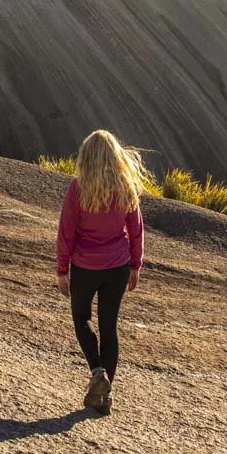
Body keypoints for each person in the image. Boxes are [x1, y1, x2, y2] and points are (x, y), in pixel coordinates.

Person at [55, 130, 146, 416]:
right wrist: (135, 265)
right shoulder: (125, 186)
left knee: (82, 319)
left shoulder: (77, 188)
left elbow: (65, 232)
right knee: (109, 328)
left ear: (86, 157)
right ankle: (104, 397)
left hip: (85, 266)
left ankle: (97, 372)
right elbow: (136, 229)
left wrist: (61, 270)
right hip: (117, 267)